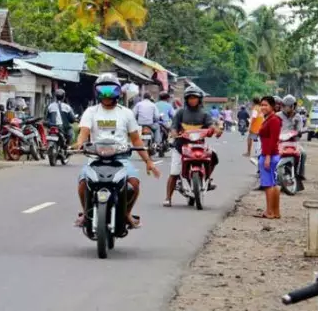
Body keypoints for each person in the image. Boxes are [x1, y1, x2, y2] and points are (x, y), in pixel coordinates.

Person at [75, 73, 161, 228]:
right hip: (95, 158)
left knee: (133, 183)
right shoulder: (91, 112)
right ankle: (86, 214)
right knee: (83, 183)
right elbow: (84, 132)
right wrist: (79, 143)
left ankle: (127, 212)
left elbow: (135, 139)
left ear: (118, 92)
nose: (107, 95)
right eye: (103, 90)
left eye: (110, 90)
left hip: (120, 158)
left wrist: (148, 161)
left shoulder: (126, 113)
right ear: (97, 92)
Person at [163, 85, 220, 207]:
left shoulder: (204, 114)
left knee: (213, 157)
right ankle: (168, 197)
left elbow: (211, 126)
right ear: (186, 99)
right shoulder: (181, 113)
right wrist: (174, 133)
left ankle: (207, 180)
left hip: (199, 147)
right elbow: (174, 126)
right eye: (190, 98)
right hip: (180, 147)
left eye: (195, 98)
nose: (192, 100)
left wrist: (215, 130)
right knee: (174, 172)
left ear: (199, 99)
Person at [256, 96, 283, 219]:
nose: (263, 107)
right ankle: (274, 211)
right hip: (268, 154)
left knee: (268, 184)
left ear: (272, 106)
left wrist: (267, 156)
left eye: (266, 105)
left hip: (270, 155)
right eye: (262, 105)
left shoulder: (274, 120)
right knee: (271, 183)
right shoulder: (269, 119)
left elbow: (273, 140)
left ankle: (270, 211)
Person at [277, 94, 307, 181]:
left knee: (303, 154)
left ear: (293, 106)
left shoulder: (298, 117)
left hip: (293, 142)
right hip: (279, 141)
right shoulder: (277, 115)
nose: (286, 108)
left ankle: (299, 174)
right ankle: (263, 176)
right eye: (284, 105)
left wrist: (299, 131)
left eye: (288, 106)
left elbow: (300, 129)